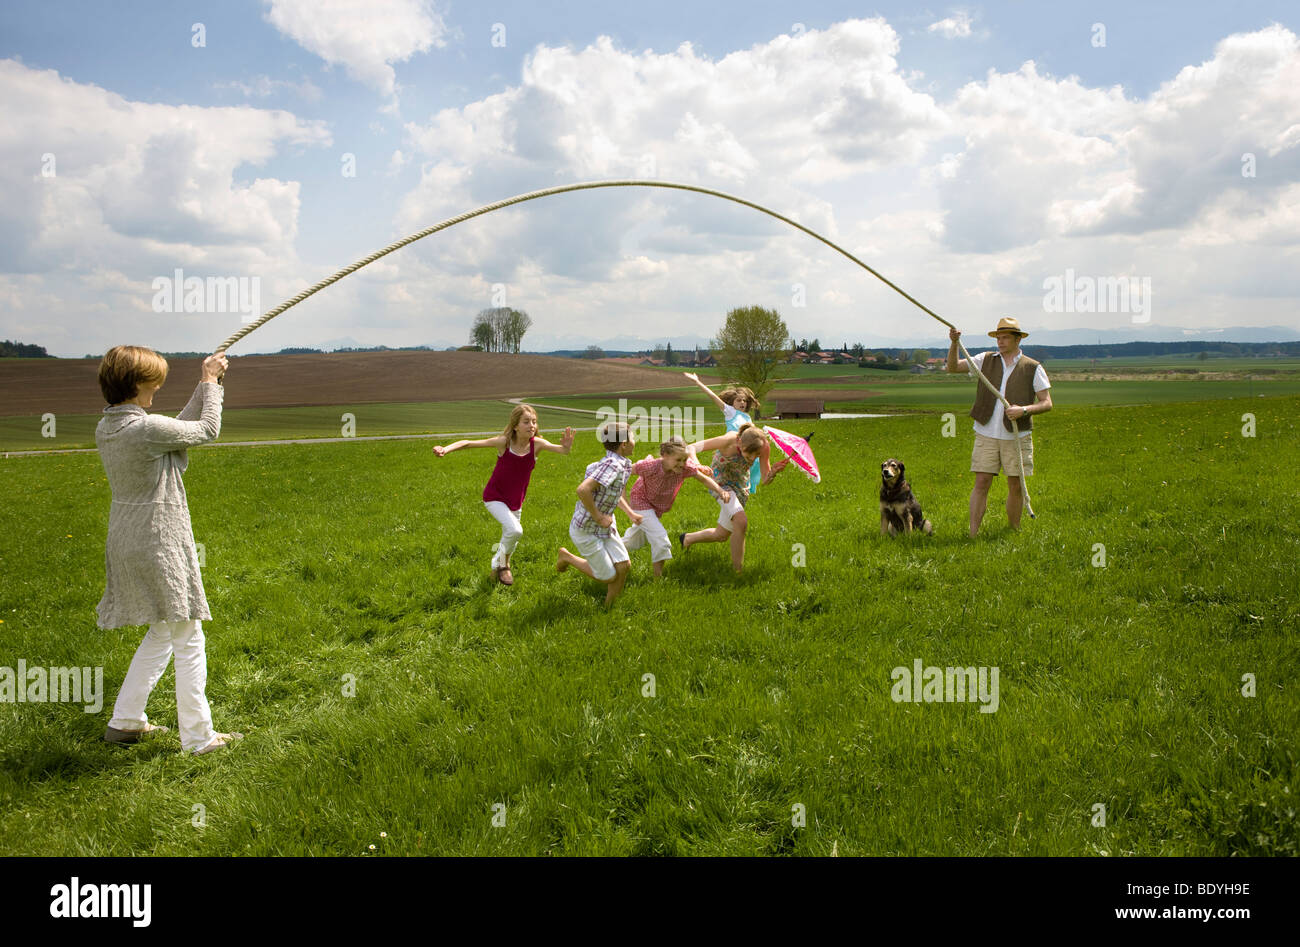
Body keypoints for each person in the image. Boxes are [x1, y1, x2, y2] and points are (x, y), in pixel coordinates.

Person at [95, 346, 241, 756]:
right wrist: (210, 383)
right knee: (189, 632)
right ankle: (199, 739)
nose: (158, 388)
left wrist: (206, 384)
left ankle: (125, 722)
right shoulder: (143, 430)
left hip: (127, 538)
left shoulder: (111, 428)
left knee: (163, 628)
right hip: (156, 539)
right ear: (137, 384)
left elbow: (171, 429)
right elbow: (206, 429)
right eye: (154, 382)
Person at [434, 405, 574, 585]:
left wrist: (566, 447)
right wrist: (445, 449)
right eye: (526, 422)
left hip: (516, 501)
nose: (531, 425)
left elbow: (562, 451)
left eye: (534, 422)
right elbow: (468, 443)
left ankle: (493, 577)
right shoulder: (504, 443)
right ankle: (502, 564)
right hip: (494, 497)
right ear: (515, 425)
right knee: (515, 531)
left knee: (511, 539)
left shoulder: (537, 444)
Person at [946, 317, 1053, 536]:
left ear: (1017, 339)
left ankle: (1013, 531)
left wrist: (1023, 410)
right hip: (986, 432)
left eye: (1005, 338)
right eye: (998, 337)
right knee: (982, 481)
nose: (1000, 342)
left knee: (1015, 485)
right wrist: (954, 343)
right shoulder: (985, 359)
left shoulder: (1033, 367)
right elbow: (953, 367)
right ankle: (973, 533)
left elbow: (1047, 403)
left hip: (1017, 436)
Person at [680, 424, 788, 573]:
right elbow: (690, 448)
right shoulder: (728, 440)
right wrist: (698, 465)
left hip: (740, 486)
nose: (752, 459)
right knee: (741, 521)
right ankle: (738, 572)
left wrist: (773, 472)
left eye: (756, 456)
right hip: (720, 483)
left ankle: (687, 539)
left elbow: (765, 480)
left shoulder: (763, 446)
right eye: (748, 454)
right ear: (739, 441)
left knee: (722, 535)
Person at [556, 421, 641, 607]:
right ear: (624, 444)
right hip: (587, 529)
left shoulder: (620, 464)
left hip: (605, 525)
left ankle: (608, 608)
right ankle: (567, 557)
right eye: (633, 437)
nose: (635, 441)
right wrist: (599, 517)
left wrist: (629, 513)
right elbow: (583, 490)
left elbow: (613, 494)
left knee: (624, 566)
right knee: (608, 576)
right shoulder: (613, 466)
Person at [622, 436, 731, 578]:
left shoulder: (685, 468)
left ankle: (612, 550)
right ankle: (658, 578)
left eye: (684, 460)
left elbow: (703, 479)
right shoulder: (650, 466)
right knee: (661, 539)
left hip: (656, 506)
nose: (682, 464)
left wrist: (720, 490)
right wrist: (622, 499)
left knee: (635, 539)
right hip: (641, 501)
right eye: (678, 460)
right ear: (665, 456)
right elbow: (623, 472)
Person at [683, 372, 768, 495]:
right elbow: (712, 396)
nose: (742, 403)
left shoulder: (747, 416)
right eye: (739, 400)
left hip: (743, 450)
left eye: (744, 400)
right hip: (730, 446)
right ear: (732, 402)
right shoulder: (730, 411)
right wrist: (698, 382)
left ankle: (743, 487)